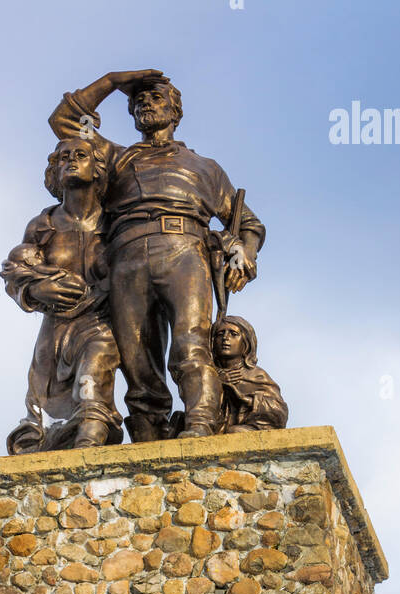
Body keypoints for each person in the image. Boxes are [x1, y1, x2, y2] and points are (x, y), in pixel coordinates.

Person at [49, 70, 265, 441]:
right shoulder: (115, 157)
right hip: (126, 254)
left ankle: (199, 422)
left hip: (185, 251)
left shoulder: (205, 168)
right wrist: (113, 81)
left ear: (175, 110)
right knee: (135, 357)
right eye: (138, 101)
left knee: (191, 341)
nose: (145, 104)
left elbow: (247, 223)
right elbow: (65, 120)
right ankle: (150, 436)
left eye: (156, 99)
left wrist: (243, 251)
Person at [1, 136, 122, 453]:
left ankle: (90, 437)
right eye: (63, 156)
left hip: (100, 319)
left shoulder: (116, 222)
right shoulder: (43, 225)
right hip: (54, 328)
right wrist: (36, 288)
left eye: (80, 155)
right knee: (46, 400)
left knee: (94, 369)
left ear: (97, 169)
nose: (70, 160)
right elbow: (15, 273)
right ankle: (59, 439)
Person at [211, 316, 288, 432]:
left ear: (245, 342)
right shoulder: (208, 373)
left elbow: (279, 412)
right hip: (214, 427)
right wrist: (215, 381)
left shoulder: (255, 374)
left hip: (247, 429)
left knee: (235, 432)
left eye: (233, 334)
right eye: (220, 333)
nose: (225, 338)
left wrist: (244, 399)